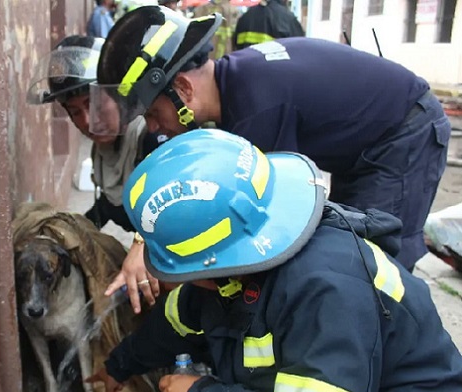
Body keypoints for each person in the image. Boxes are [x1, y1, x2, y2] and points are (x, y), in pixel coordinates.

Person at [87, 129, 462, 392]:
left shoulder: (325, 290)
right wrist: (118, 367)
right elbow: (176, 322)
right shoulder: (235, 269)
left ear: (210, 265)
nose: (177, 284)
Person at [91, 7, 448, 293]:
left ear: (183, 89)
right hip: (363, 143)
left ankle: (396, 350)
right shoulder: (236, 82)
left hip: (403, 135)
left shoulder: (257, 110)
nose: (153, 127)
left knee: (370, 268)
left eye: (153, 113)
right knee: (345, 250)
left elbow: (273, 232)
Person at [27, 35, 162, 234]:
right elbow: (108, 206)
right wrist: (71, 231)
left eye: (94, 104)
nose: (87, 121)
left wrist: (139, 246)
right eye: (75, 112)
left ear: (120, 96)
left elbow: (168, 220)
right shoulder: (105, 148)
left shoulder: (151, 139)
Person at [232, 0, 305, 50]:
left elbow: (235, 46)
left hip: (245, 67)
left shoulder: (245, 18)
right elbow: (299, 49)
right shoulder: (288, 19)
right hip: (274, 67)